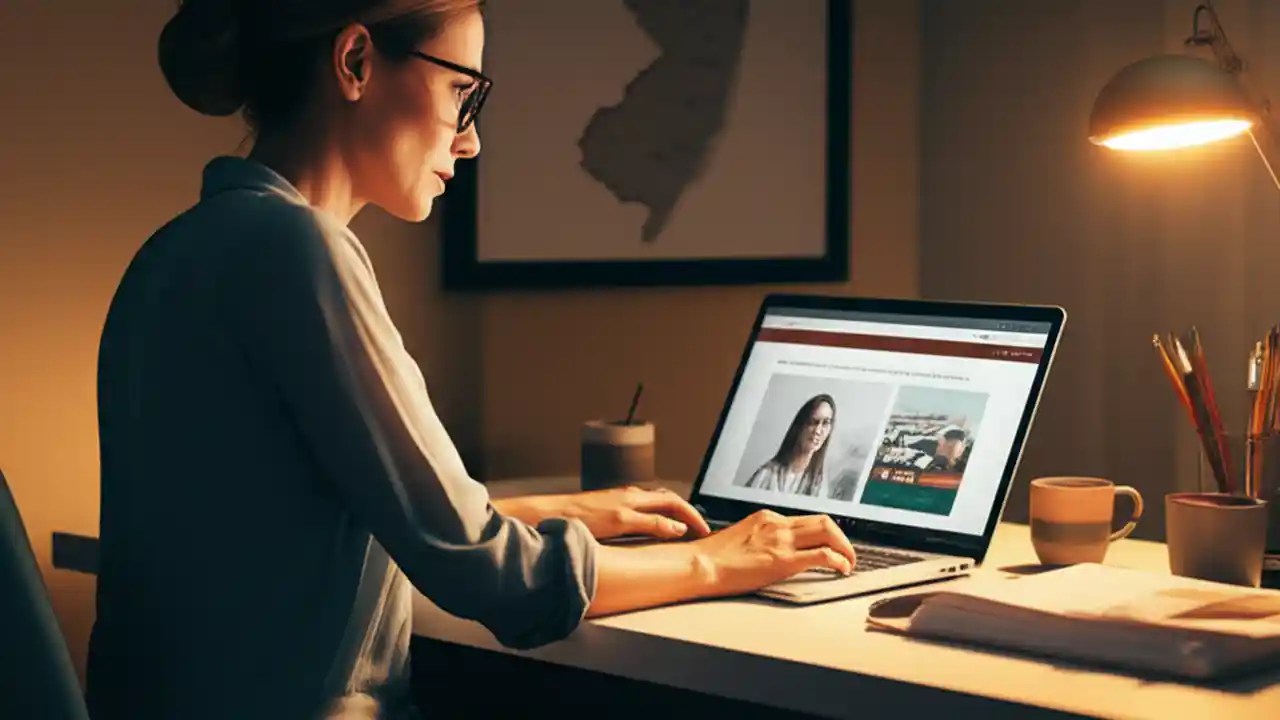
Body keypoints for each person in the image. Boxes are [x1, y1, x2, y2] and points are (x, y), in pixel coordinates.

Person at [83, 2, 857, 719]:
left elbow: (313, 522)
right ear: (355, 61)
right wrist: (724, 559)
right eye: (464, 93)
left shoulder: (177, 252)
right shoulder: (297, 251)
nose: (470, 138)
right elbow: (490, 577)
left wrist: (564, 510)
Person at [743, 394, 836, 497]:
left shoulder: (820, 484)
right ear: (800, 426)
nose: (818, 431)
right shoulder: (767, 474)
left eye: (825, 423)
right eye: (813, 422)